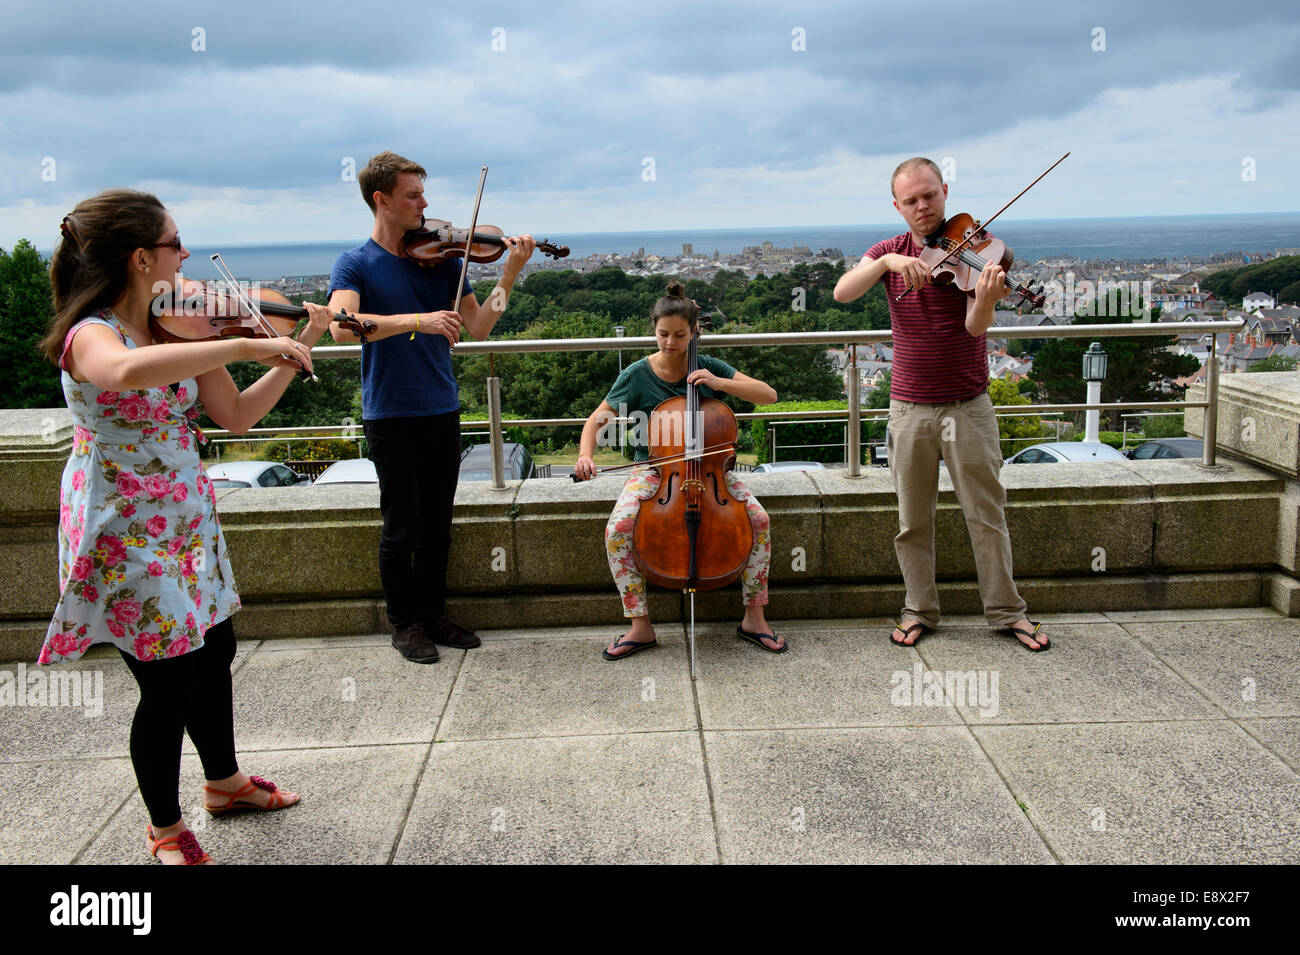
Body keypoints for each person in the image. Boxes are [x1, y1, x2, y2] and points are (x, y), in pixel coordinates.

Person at [38, 189, 333, 864]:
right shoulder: (92, 333)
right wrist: (239, 341)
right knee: (167, 679)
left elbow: (237, 417)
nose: (188, 255)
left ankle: (224, 782)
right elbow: (120, 373)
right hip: (122, 524)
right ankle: (165, 828)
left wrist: (299, 345)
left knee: (215, 647)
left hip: (183, 515)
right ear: (142, 258)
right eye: (176, 244)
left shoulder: (177, 332)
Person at [326, 152, 536, 665]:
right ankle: (405, 624)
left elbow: (479, 327)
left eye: (423, 193)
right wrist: (417, 320)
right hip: (389, 414)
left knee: (438, 524)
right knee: (401, 526)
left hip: (441, 409)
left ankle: (435, 614)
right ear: (382, 200)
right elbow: (340, 327)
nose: (426, 204)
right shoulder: (355, 263)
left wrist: (508, 274)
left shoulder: (444, 261)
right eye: (414, 195)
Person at [833, 158, 1048, 652]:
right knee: (912, 521)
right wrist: (887, 263)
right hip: (908, 408)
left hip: (967, 405)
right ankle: (919, 610)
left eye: (929, 195)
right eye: (911, 200)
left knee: (986, 515)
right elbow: (844, 292)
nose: (922, 206)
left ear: (945, 191)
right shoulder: (887, 250)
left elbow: (975, 327)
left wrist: (987, 298)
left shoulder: (977, 249)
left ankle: (1008, 612)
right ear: (897, 206)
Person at [573, 283, 786, 659]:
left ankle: (754, 618)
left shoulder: (710, 367)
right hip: (655, 470)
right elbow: (597, 419)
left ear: (694, 332)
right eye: (663, 334)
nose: (670, 342)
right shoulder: (637, 374)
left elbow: (769, 395)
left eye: (680, 335)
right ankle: (639, 626)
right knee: (618, 530)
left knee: (759, 521)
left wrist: (719, 383)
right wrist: (585, 455)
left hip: (711, 471)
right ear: (654, 330)